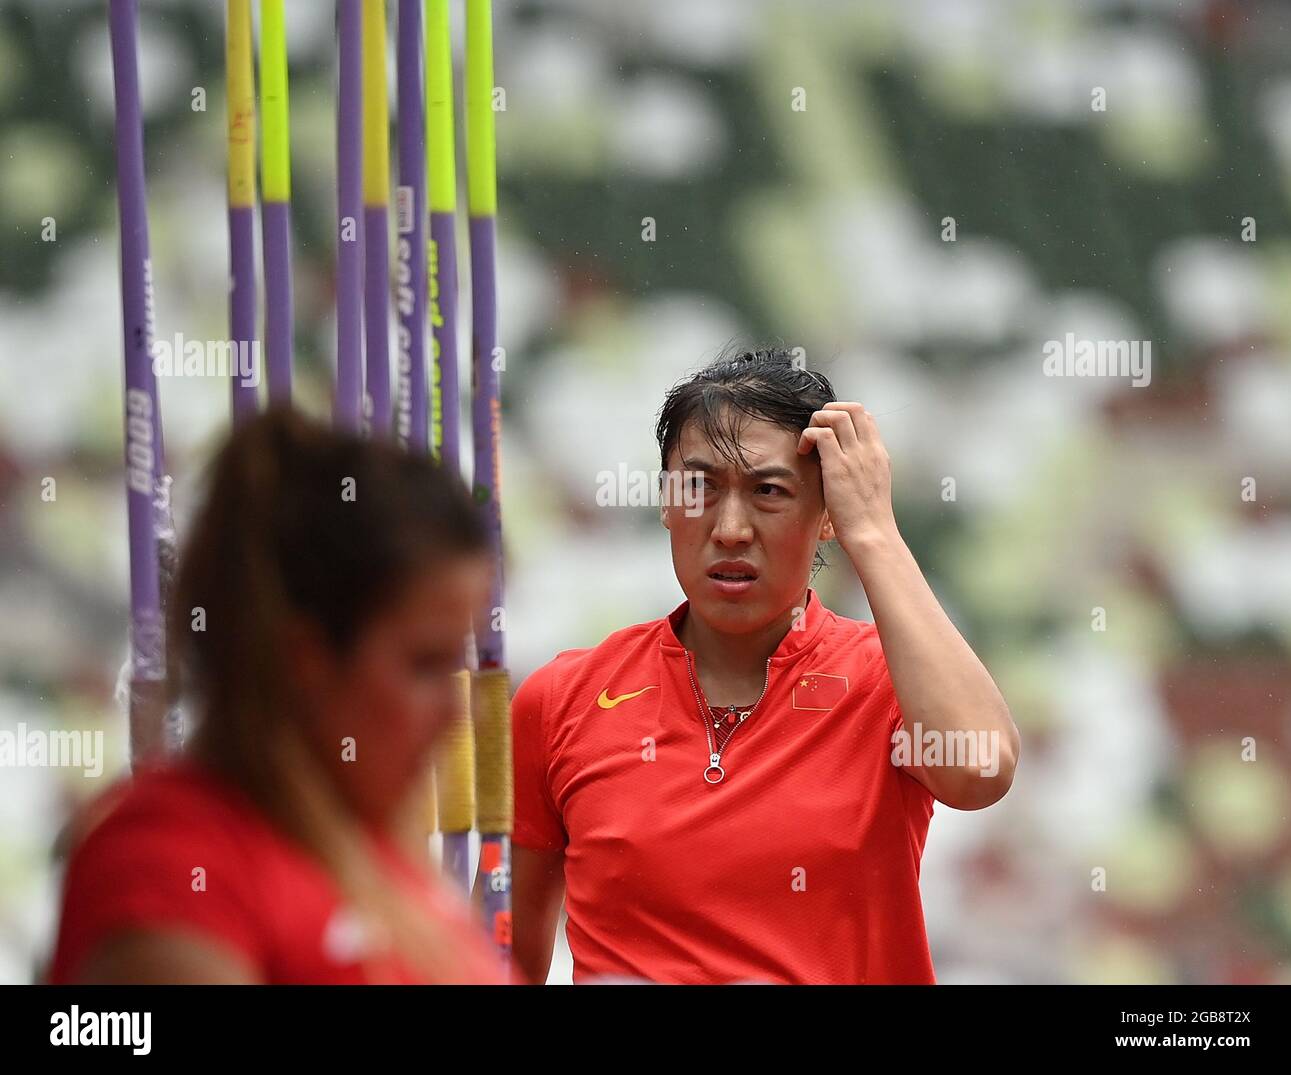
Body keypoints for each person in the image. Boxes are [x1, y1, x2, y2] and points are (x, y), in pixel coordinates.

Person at [510, 347, 1020, 984]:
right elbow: (503, 958)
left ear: (828, 511)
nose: (729, 528)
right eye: (699, 488)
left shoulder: (887, 684)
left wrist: (875, 533)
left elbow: (979, 774)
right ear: (666, 504)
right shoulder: (561, 698)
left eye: (769, 492)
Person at [49, 408, 506, 984]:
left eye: (459, 664)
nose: (456, 711)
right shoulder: (171, 862)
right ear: (305, 662)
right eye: (424, 666)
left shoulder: (379, 855)